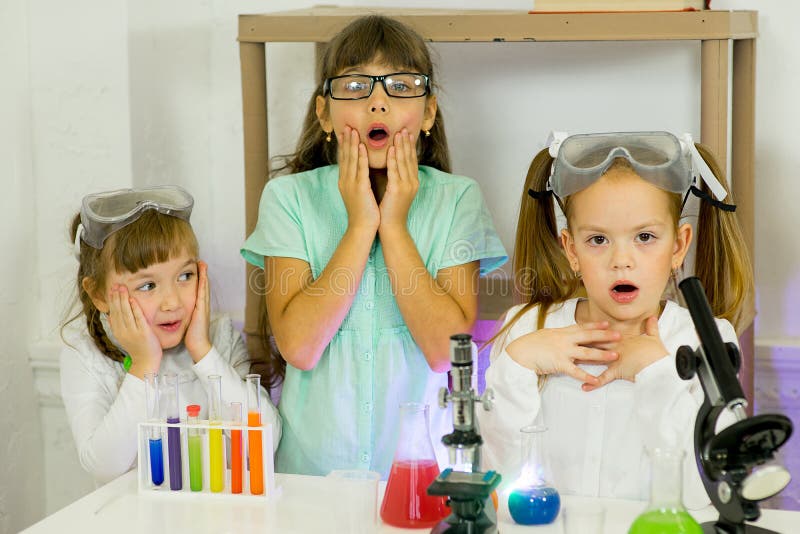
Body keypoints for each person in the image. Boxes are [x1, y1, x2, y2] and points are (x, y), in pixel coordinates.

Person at [241, 15, 507, 477]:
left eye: (401, 87)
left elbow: (444, 351)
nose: (378, 102)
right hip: (310, 477)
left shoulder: (457, 199)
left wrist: (395, 227)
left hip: (420, 475)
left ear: (428, 113)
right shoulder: (288, 198)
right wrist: (361, 225)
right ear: (324, 113)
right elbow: (299, 347)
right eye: (356, 86)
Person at [478, 132, 753, 507]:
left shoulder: (707, 340)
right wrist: (517, 365)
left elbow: (704, 492)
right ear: (571, 250)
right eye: (598, 240)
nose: (621, 260)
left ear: (678, 246)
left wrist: (657, 372)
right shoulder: (527, 329)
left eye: (645, 236)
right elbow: (495, 478)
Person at [61, 185, 281, 484]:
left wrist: (203, 351)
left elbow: (266, 441)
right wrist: (143, 365)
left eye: (185, 276)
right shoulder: (84, 353)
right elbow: (104, 465)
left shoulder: (218, 337)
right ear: (98, 294)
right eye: (148, 285)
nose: (173, 303)